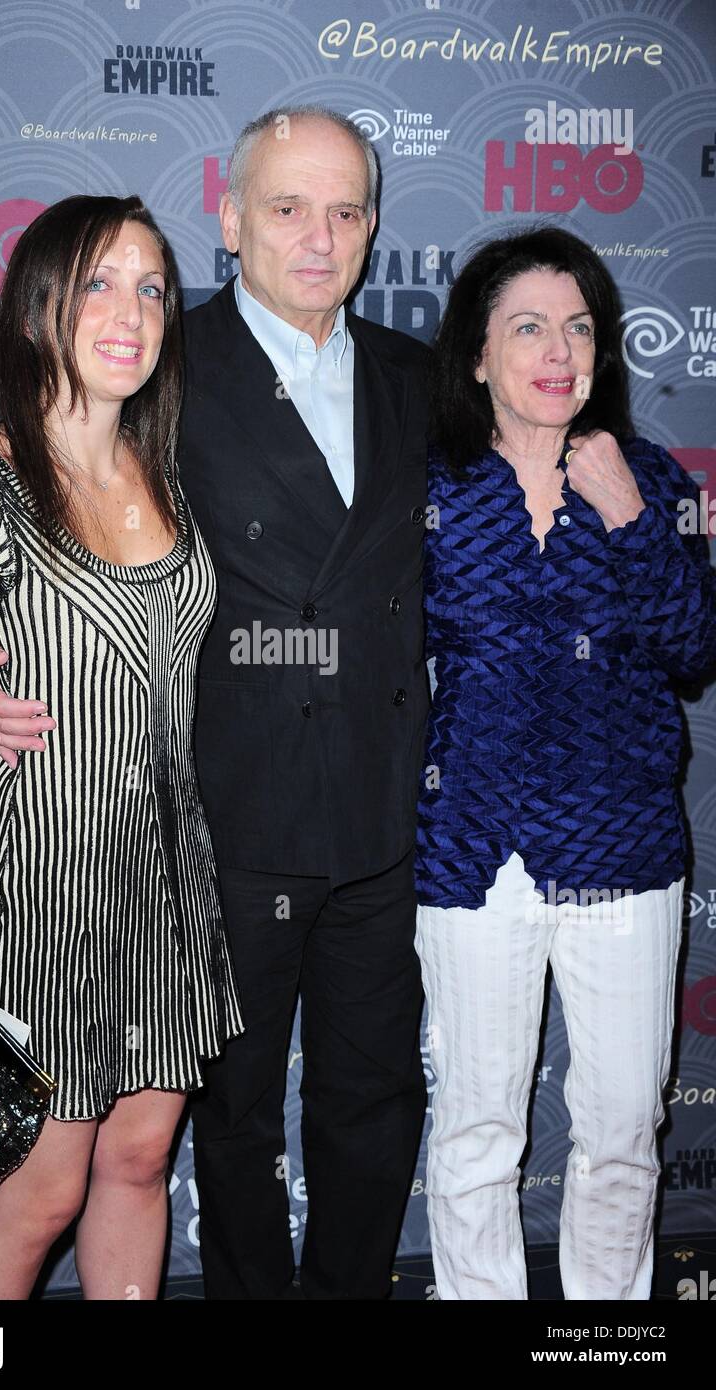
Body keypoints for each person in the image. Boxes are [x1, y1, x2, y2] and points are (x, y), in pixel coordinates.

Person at [0, 107, 430, 1300]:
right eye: (286, 207)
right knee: (225, 1130)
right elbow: (23, 463)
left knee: (373, 1108)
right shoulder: (163, 362)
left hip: (382, 822)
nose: (319, 238)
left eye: (346, 210)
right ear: (229, 222)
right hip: (225, 823)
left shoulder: (416, 378)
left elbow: (506, 500)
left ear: (374, 227)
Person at [0, 194, 244, 1301]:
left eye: (150, 286)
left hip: (169, 886)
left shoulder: (163, 476)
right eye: (98, 281)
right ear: (39, 303)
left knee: (139, 1163)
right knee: (37, 1194)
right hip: (43, 890)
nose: (130, 309)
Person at [414, 225, 716, 1300]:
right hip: (472, 851)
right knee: (478, 1127)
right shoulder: (430, 486)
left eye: (578, 326)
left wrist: (634, 519)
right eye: (528, 326)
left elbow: (693, 648)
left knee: (624, 1127)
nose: (557, 349)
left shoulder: (648, 476)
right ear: (480, 355)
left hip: (625, 855)